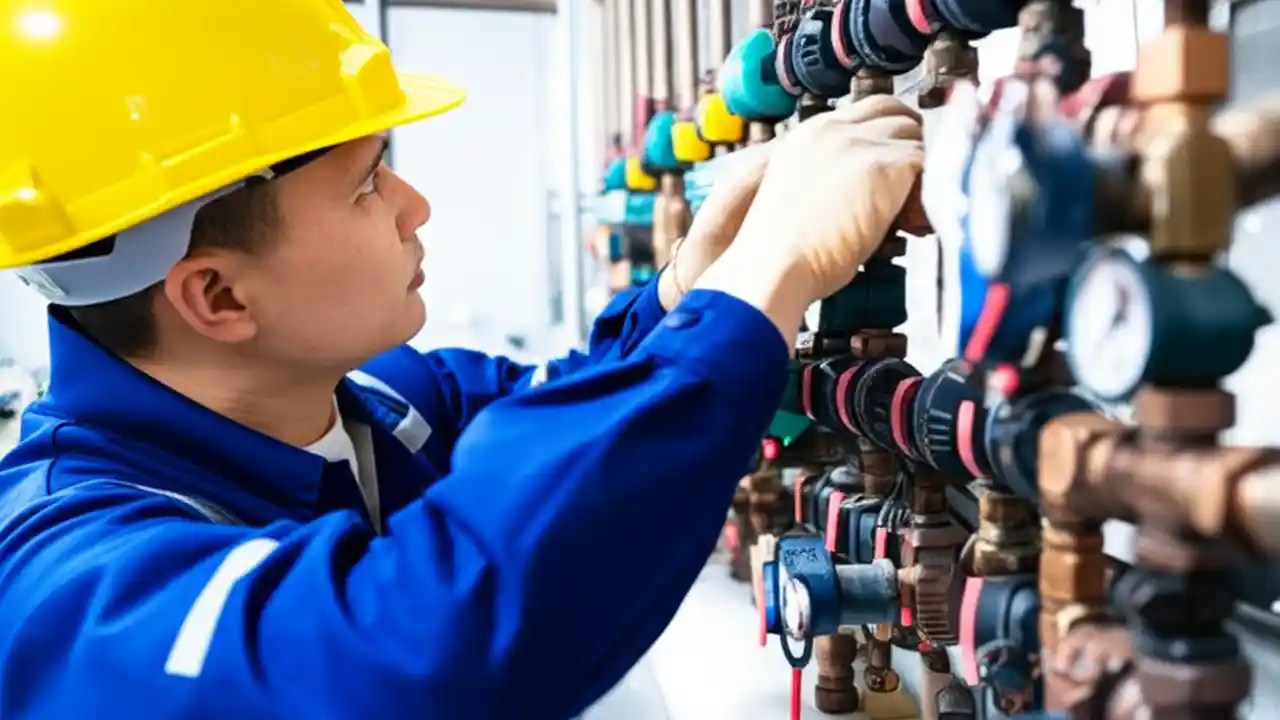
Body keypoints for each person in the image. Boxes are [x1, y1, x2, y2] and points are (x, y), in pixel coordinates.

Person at [0, 2, 924, 718]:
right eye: (368, 185)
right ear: (220, 298)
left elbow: (574, 411)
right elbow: (403, 658)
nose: (415, 206)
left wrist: (691, 285)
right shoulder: (68, 580)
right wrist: (770, 281)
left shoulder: (378, 415)